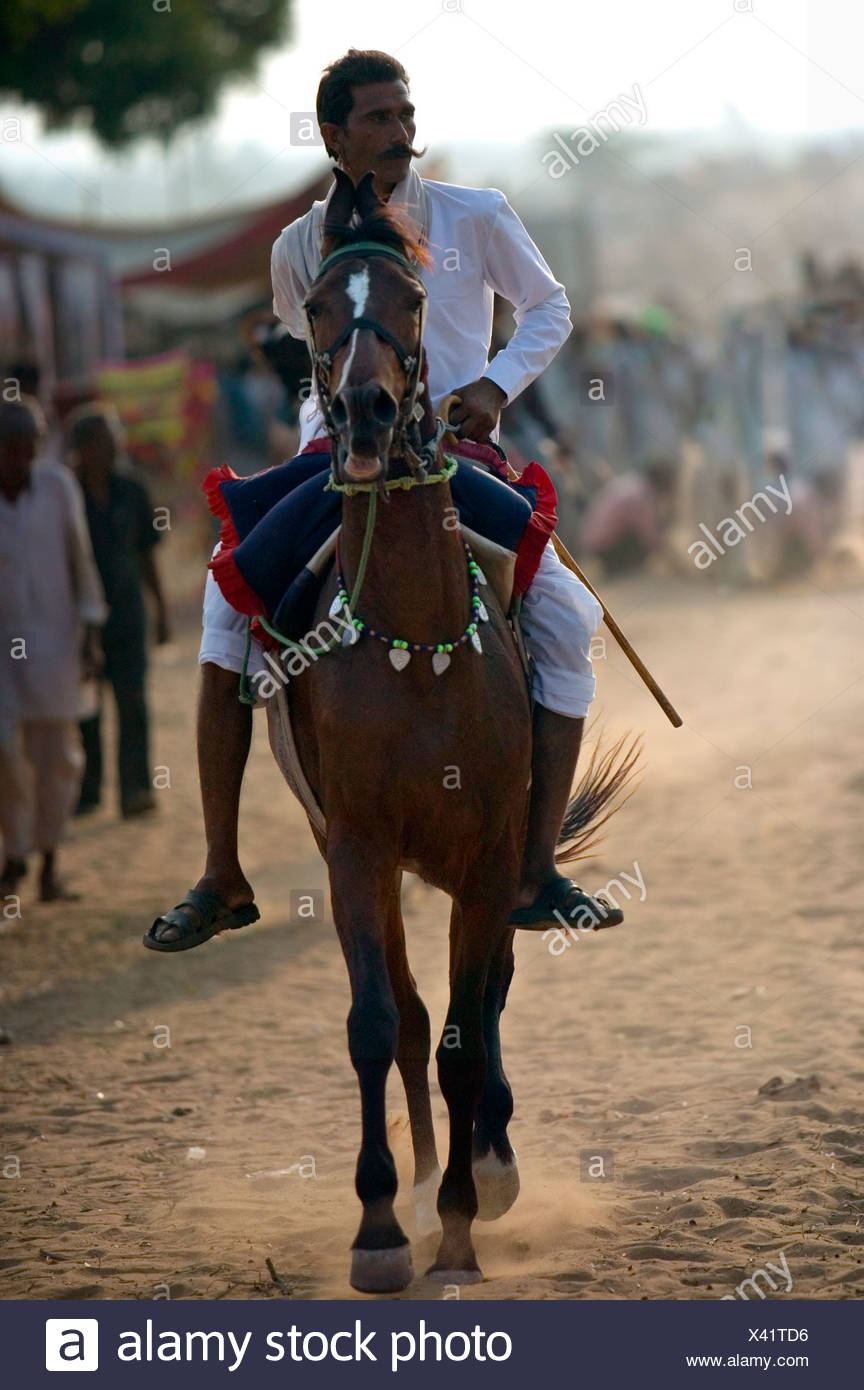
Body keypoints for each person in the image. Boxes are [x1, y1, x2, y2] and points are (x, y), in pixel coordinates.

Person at [148, 48, 617, 950]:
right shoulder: (296, 248)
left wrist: (495, 386)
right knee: (221, 606)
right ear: (333, 134)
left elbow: (549, 308)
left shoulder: (476, 215)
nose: (401, 134)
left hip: (453, 458)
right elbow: (316, 346)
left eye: (406, 116)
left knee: (567, 613)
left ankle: (537, 867)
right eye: (378, 120)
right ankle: (221, 872)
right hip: (335, 460)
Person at [0, 399, 107, 901]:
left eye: (29, 450)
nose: (20, 461)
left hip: (56, 640)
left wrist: (91, 635)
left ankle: (48, 860)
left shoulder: (58, 489)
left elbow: (80, 562)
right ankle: (14, 855)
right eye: (11, 451)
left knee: (58, 757)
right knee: (5, 754)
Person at [67, 403, 169, 818]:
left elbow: (147, 555)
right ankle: (88, 792)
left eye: (115, 442)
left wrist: (159, 609)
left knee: (133, 705)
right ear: (83, 448)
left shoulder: (132, 490)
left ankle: (136, 790)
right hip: (78, 620)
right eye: (105, 443)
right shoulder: (65, 496)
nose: (114, 449)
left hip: (128, 615)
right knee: (86, 709)